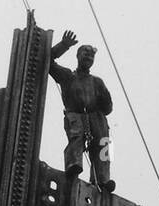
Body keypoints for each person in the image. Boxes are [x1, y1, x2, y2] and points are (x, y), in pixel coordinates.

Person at [49, 29, 115, 192]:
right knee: (76, 137)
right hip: (76, 115)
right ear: (77, 56)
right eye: (85, 54)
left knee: (104, 145)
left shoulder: (97, 82)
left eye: (91, 56)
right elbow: (47, 61)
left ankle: (103, 180)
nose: (88, 57)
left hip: (95, 117)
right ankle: (74, 165)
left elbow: (108, 108)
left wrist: (101, 103)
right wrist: (64, 45)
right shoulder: (67, 76)